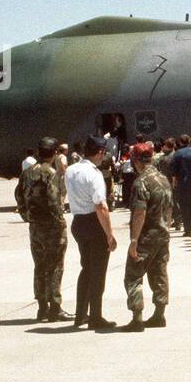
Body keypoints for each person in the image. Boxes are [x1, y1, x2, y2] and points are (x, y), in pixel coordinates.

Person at [65, 136, 118, 330]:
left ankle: (80, 315)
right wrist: (109, 234)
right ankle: (95, 316)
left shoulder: (71, 170)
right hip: (94, 223)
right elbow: (100, 206)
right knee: (98, 272)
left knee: (86, 269)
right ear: (101, 152)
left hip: (78, 222)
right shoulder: (94, 174)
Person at [122, 142, 173, 332]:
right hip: (162, 235)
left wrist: (134, 241)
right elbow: (169, 209)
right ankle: (159, 314)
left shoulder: (141, 182)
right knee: (159, 274)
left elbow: (139, 213)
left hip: (146, 237)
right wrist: (166, 230)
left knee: (133, 276)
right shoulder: (163, 179)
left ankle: (137, 318)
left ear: (136, 161)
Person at [22, 138, 70, 322]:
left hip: (35, 227)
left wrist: (29, 218)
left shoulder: (27, 173)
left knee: (40, 266)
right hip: (52, 227)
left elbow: (19, 197)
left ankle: (42, 307)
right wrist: (60, 224)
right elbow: (54, 201)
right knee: (55, 266)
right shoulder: (52, 174)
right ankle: (55, 307)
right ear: (55, 153)